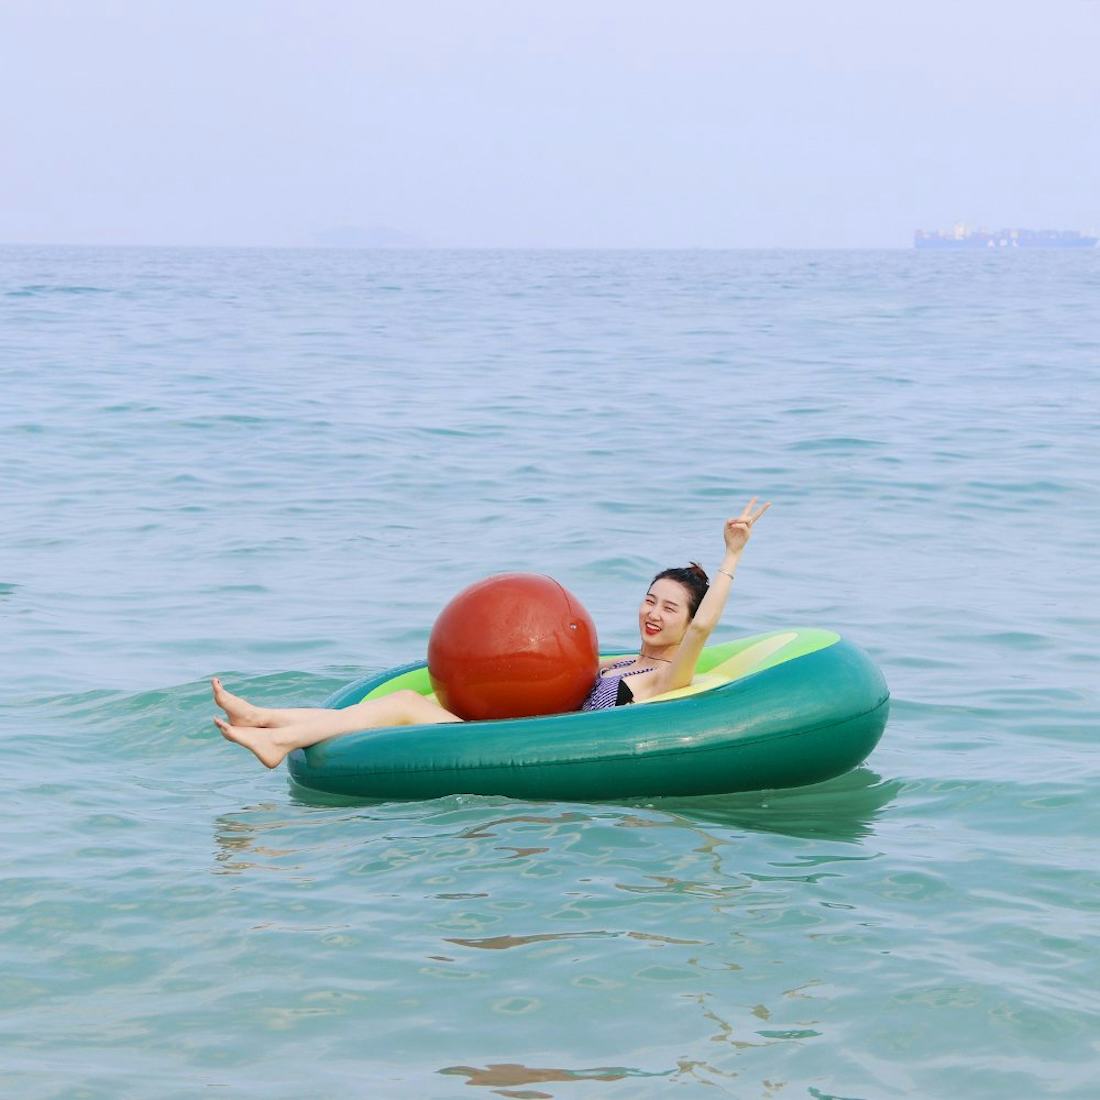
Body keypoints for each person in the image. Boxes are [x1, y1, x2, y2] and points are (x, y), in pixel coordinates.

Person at [213, 497, 770, 769]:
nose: (653, 613)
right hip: (516, 723)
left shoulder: (671, 675)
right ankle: (267, 721)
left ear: (685, 620)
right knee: (406, 699)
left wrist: (732, 556)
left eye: (669, 609)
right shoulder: (615, 662)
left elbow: (704, 627)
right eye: (649, 599)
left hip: (542, 746)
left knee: (407, 704)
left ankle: (277, 735)